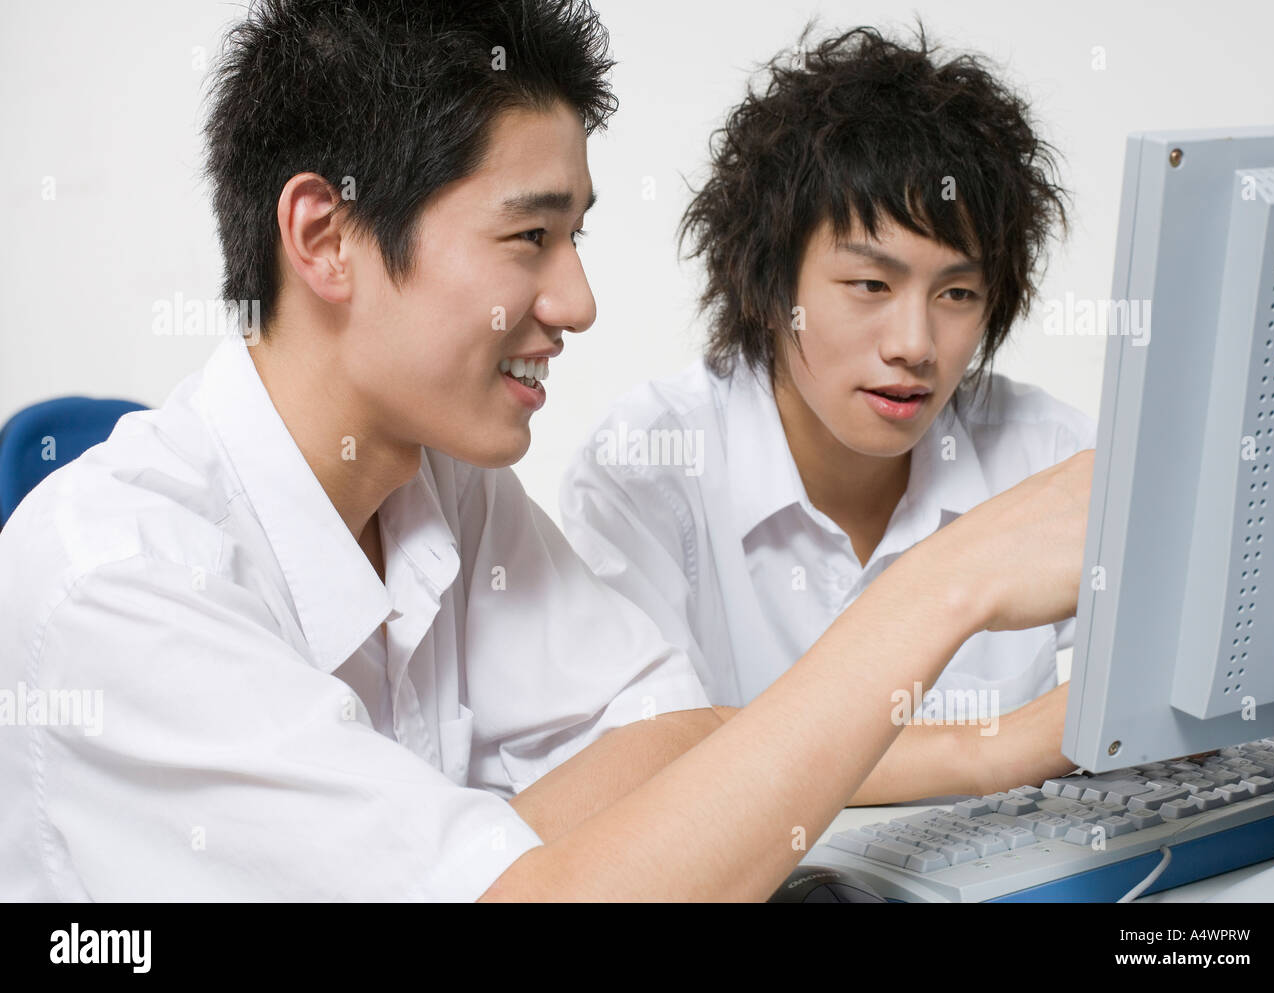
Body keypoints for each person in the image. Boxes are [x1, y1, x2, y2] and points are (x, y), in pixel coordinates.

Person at [0, 0, 1092, 902]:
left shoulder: (448, 489)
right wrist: (952, 585)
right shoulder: (117, 582)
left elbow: (676, 737)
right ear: (326, 238)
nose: (577, 301)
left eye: (577, 237)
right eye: (529, 237)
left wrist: (496, 848)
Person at [561, 25, 1096, 804]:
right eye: (870, 286)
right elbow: (650, 771)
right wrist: (1010, 743)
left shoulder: (1044, 449)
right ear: (769, 287)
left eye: (956, 294)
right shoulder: (650, 471)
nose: (915, 346)